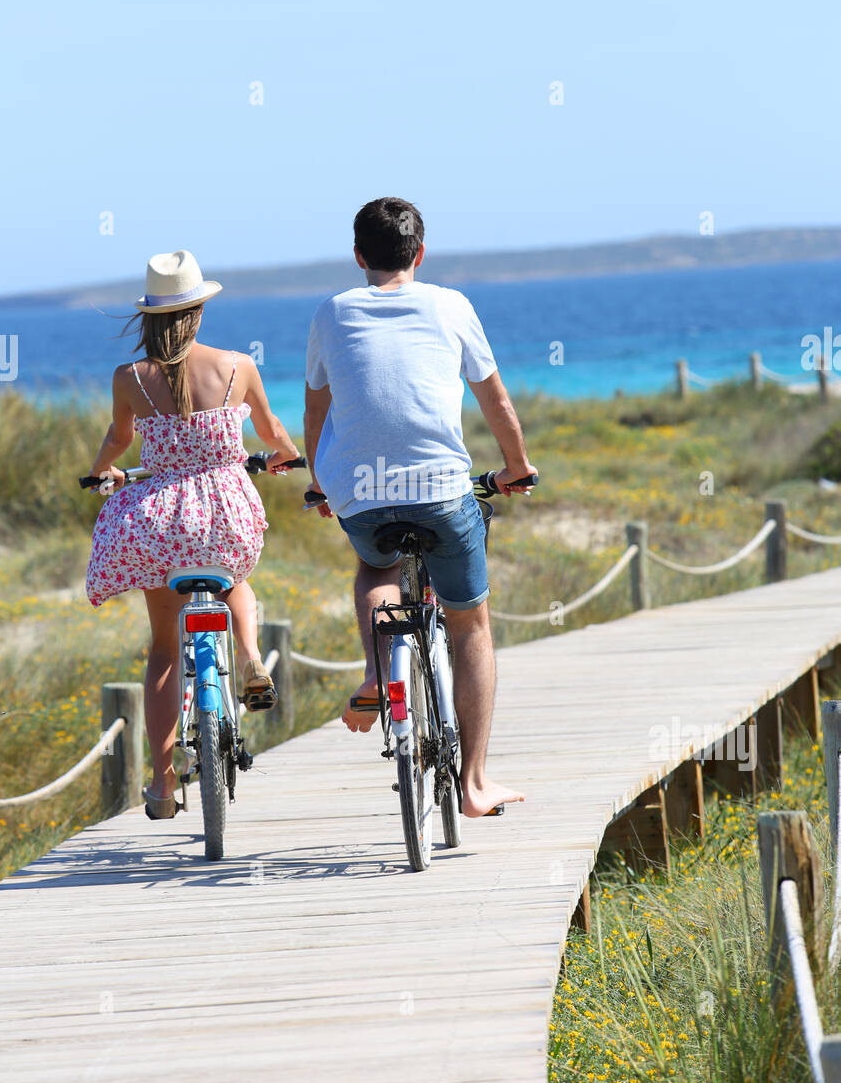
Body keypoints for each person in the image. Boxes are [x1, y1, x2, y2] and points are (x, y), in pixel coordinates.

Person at [303, 198, 536, 819]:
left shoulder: (332, 312)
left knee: (376, 571)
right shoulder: (451, 305)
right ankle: (474, 784)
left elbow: (316, 414)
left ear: (358, 257)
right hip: (441, 491)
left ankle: (381, 673)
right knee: (471, 626)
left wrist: (325, 484)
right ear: (421, 254)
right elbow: (496, 402)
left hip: (359, 492)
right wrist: (516, 468)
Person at [85, 249, 301, 819]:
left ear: (151, 317)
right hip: (225, 511)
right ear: (198, 311)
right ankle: (251, 654)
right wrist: (287, 455)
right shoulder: (236, 367)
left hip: (160, 520)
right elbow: (271, 428)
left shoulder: (130, 377)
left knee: (162, 649)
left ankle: (160, 784)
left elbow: (117, 441)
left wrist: (103, 469)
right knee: (238, 581)